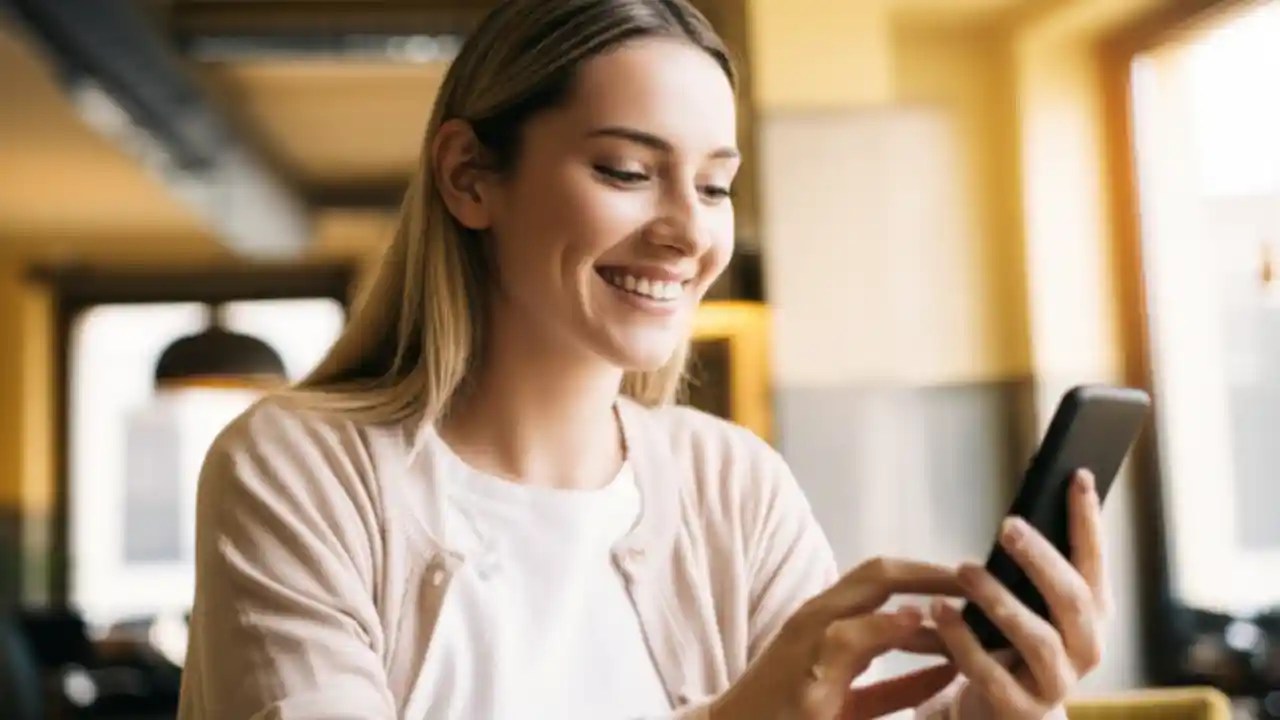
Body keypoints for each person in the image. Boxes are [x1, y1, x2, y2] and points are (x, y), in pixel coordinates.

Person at [177, 0, 1111, 718]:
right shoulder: (297, 466)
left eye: (714, 185)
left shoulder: (734, 482)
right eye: (627, 171)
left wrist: (994, 706)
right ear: (469, 177)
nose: (688, 232)